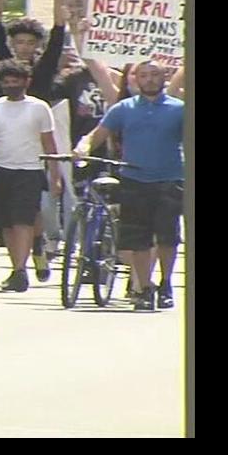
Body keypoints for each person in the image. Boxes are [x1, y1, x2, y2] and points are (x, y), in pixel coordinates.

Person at [74, 60, 183, 311]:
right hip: (134, 179)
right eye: (143, 75)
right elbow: (97, 134)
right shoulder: (124, 108)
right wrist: (83, 148)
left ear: (164, 77)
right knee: (138, 239)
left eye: (154, 75)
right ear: (136, 79)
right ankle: (145, 288)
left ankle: (165, 284)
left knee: (167, 237)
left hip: (170, 178)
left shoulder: (179, 109)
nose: (149, 80)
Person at [0, 60, 62, 292]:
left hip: (30, 170)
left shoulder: (39, 108)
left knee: (23, 220)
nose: (11, 86)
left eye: (16, 82)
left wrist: (55, 175)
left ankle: (21, 270)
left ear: (26, 82)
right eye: (6, 82)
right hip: (1, 169)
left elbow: (49, 143)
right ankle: (16, 266)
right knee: (6, 224)